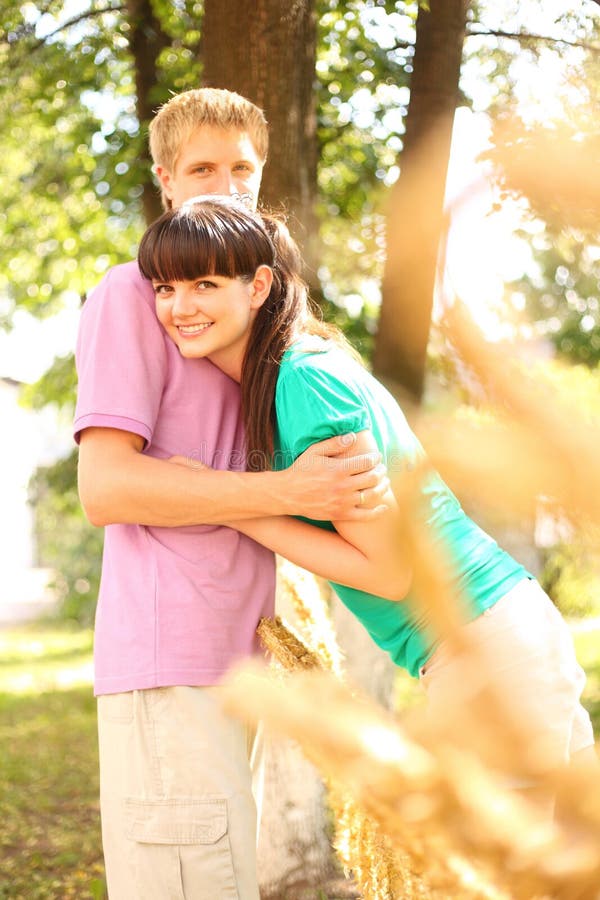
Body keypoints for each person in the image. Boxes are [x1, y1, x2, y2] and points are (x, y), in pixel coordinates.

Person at [137, 196, 596, 784]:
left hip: (487, 647)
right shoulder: (293, 374)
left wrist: (224, 501)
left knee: (515, 848)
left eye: (204, 284)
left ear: (258, 287)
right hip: (496, 635)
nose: (180, 307)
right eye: (165, 288)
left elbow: (388, 572)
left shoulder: (305, 381)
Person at [75, 88, 387, 900]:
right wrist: (283, 490)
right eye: (202, 169)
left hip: (235, 652)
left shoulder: (246, 309)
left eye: (242, 170)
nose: (226, 186)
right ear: (164, 181)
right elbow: (105, 487)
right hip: (169, 651)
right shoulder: (133, 294)